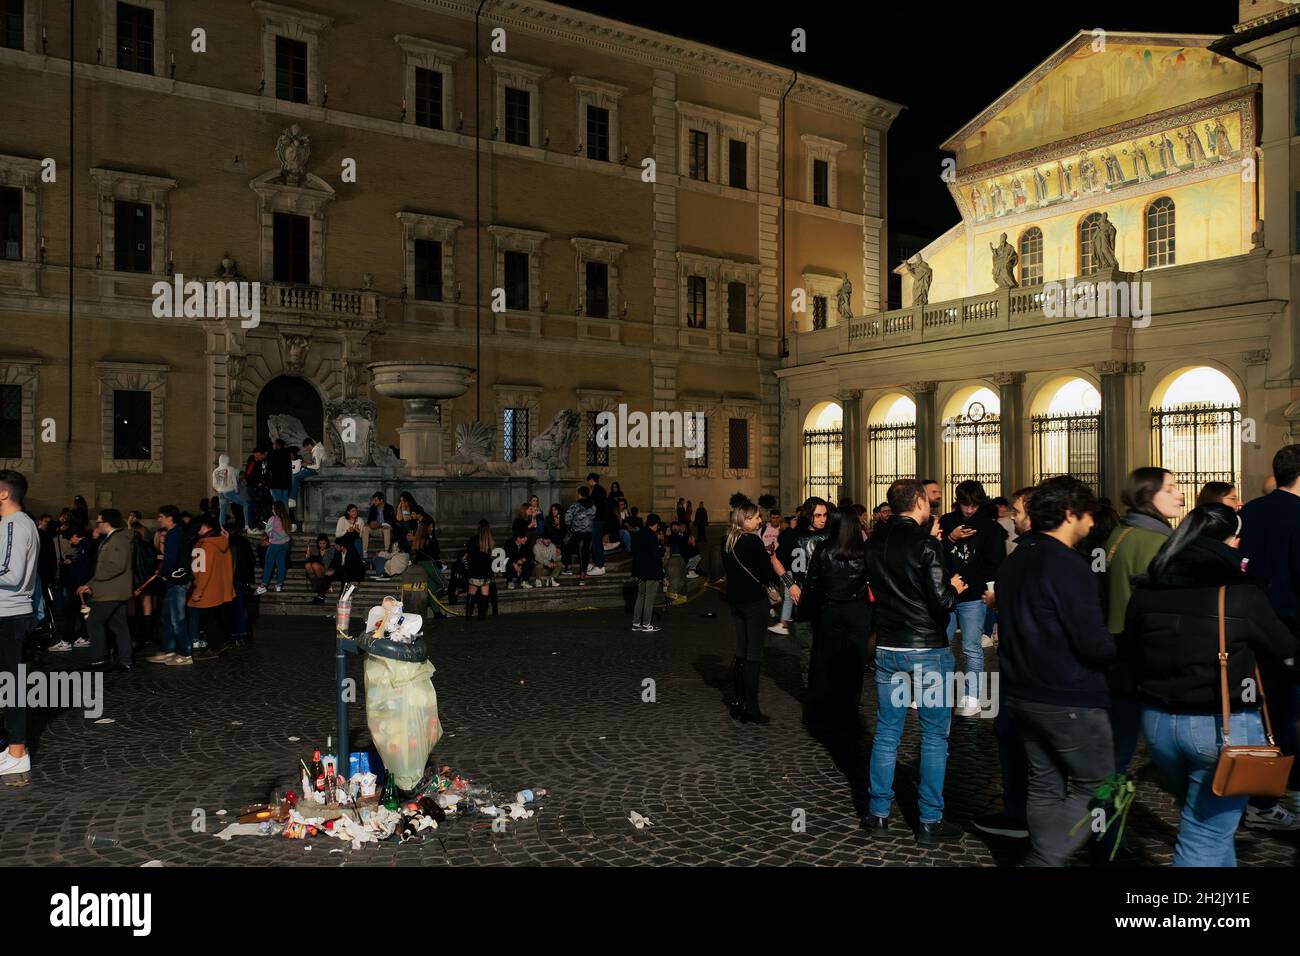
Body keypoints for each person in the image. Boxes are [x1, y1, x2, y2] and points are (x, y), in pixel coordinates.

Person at [1127, 503, 1297, 865]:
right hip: (1221, 728)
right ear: (1230, 542)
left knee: (1213, 825)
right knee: (1204, 832)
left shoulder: (1146, 589)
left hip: (1157, 725)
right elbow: (1287, 651)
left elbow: (1132, 653)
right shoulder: (1240, 595)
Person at [998, 475, 1116, 867]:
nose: (1093, 523)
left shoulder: (1017, 559)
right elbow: (1092, 641)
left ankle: (1044, 855)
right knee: (1097, 785)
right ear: (1070, 514)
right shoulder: (1069, 564)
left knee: (1045, 783)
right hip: (1068, 694)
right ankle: (1045, 859)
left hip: (1022, 691)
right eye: (1088, 515)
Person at [863, 479, 965, 845]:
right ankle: (929, 821)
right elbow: (942, 602)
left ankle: (878, 815)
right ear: (919, 501)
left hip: (889, 648)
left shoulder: (874, 543)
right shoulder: (926, 544)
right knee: (934, 736)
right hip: (926, 650)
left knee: (887, 733)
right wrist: (955, 586)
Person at [1105, 467, 1183, 776]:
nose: (1180, 494)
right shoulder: (1153, 540)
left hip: (1122, 656)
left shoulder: (1123, 531)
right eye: (1171, 488)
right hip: (1143, 658)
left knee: (1120, 748)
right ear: (1147, 495)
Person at [1238, 444, 1300, 830]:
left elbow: (1241, 562)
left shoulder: (1252, 511)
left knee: (1263, 711)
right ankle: (1282, 790)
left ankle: (1261, 789)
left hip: (1251, 622)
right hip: (1291, 626)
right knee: (1288, 713)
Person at [973, 485, 1037, 841]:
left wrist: (999, 600)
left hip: (1025, 669)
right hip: (1022, 666)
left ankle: (1023, 815)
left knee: (1017, 739)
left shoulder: (1031, 554)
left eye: (1017, 510)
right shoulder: (1032, 552)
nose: (1013, 517)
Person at [938, 480, 1006, 717]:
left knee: (972, 648)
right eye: (965, 505)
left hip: (973, 596)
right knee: (941, 646)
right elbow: (933, 556)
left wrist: (985, 588)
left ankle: (972, 696)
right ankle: (940, 692)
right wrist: (951, 539)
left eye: (973, 505)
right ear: (958, 501)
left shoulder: (990, 527)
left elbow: (995, 563)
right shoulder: (946, 522)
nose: (968, 510)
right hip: (946, 595)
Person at [803, 504, 872, 733]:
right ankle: (849, 711)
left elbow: (812, 582)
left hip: (830, 610)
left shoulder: (823, 548)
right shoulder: (864, 550)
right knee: (854, 663)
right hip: (858, 610)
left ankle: (823, 711)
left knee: (826, 662)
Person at [723, 500, 779, 723]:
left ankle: (738, 701)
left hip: (736, 602)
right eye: (756, 517)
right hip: (755, 602)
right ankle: (752, 707)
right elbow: (767, 574)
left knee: (741, 651)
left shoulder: (726, 541)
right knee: (754, 654)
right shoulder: (753, 542)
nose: (760, 520)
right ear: (745, 519)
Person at [0, 470, 38, 783]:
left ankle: (17, 752)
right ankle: (13, 748)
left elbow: (11, 574)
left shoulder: (14, 524)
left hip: (9, 615)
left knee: (12, 684)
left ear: (4, 494)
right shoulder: (18, 524)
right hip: (11, 614)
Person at [777, 498, 830, 683]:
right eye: (817, 515)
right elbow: (775, 560)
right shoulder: (792, 536)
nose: (822, 519)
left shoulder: (831, 534)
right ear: (808, 515)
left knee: (827, 648)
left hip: (827, 601)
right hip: (804, 601)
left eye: (825, 515)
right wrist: (789, 583)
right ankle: (811, 691)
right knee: (807, 649)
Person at [78, 509, 134, 671]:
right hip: (114, 591)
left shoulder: (117, 540)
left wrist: (91, 584)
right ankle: (125, 661)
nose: (97, 525)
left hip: (109, 592)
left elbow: (115, 566)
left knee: (94, 622)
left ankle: (99, 660)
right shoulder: (114, 539)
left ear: (107, 523)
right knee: (119, 626)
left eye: (99, 522)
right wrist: (91, 583)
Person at [187, 514, 234, 661]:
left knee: (209, 621)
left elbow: (202, 571)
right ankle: (219, 646)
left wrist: (197, 591)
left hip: (206, 590)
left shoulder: (204, 545)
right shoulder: (221, 542)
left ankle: (215, 648)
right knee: (214, 619)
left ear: (204, 526)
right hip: (219, 589)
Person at [147, 506, 188, 665]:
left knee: (177, 618)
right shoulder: (178, 533)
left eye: (161, 516)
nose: (159, 519)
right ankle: (169, 650)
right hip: (176, 579)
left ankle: (184, 653)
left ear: (170, 518)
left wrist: (163, 573)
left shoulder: (174, 534)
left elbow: (170, 559)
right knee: (168, 616)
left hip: (176, 581)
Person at [630, 513, 666, 632]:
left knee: (640, 597)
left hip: (640, 571)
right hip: (651, 571)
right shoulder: (652, 537)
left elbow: (634, 553)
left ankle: (636, 623)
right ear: (656, 524)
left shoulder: (638, 534)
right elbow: (655, 557)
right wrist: (662, 575)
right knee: (649, 599)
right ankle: (646, 624)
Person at [224, 521, 255, 645]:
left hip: (234, 579)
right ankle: (242, 634)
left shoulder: (232, 544)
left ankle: (236, 634)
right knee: (241, 608)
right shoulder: (243, 542)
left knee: (235, 608)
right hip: (242, 579)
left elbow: (233, 564)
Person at [255, 501, 292, 595]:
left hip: (275, 544)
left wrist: (271, 536)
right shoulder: (286, 519)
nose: (272, 510)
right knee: (281, 564)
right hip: (285, 544)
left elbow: (267, 530)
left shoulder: (273, 518)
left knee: (268, 564)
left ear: (276, 509)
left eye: (273, 508)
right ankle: (279, 585)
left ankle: (263, 586)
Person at [563, 487, 594, 581]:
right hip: (588, 532)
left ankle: (568, 567)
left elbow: (567, 517)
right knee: (585, 551)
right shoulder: (593, 505)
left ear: (580, 494)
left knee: (566, 545)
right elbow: (594, 516)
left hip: (577, 532)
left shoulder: (575, 505)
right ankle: (583, 572)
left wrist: (569, 528)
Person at [290, 437, 324, 515]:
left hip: (316, 471)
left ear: (309, 445)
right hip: (317, 470)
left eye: (305, 447)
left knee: (295, 476)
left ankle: (292, 499)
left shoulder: (316, 451)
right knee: (296, 475)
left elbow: (317, 466)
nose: (306, 450)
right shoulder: (319, 449)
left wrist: (307, 465)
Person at [586, 474, 608, 576]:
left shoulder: (597, 490)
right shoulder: (599, 489)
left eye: (588, 481)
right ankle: (598, 564)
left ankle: (599, 566)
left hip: (598, 520)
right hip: (599, 519)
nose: (588, 483)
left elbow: (591, 503)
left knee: (596, 543)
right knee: (596, 542)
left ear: (591, 480)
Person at [242, 448, 270, 531]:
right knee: (252, 507)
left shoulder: (260, 463)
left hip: (259, 488)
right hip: (253, 488)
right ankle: (252, 526)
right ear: (257, 453)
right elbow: (247, 476)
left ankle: (258, 524)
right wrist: (256, 484)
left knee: (259, 507)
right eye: (262, 455)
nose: (263, 457)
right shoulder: (252, 463)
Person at [212, 454, 240, 529]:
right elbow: (234, 482)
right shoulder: (231, 469)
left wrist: (219, 489)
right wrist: (236, 491)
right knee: (244, 503)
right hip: (230, 492)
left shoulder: (215, 471)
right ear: (227, 460)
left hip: (221, 493)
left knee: (222, 511)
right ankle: (246, 525)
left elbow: (214, 485)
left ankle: (222, 528)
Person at [267, 438, 293, 511]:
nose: (273, 445)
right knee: (285, 503)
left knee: (277, 503)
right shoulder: (287, 455)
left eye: (274, 444)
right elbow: (289, 469)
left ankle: (279, 521)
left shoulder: (274, 454)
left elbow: (269, 467)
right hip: (285, 483)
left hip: (276, 483)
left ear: (278, 445)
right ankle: (286, 520)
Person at [304, 534, 332, 598]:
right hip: (315, 570)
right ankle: (315, 584)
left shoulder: (330, 550)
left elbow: (330, 563)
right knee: (307, 565)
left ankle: (320, 585)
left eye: (324, 543)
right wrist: (308, 554)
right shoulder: (315, 549)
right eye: (320, 543)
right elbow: (308, 559)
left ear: (327, 543)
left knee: (315, 565)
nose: (322, 545)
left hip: (326, 569)